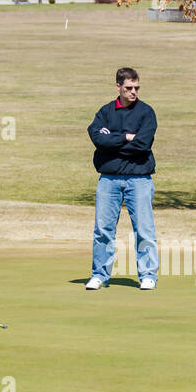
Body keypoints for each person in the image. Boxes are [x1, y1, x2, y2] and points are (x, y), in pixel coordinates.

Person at [86, 67, 159, 290]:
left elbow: (143, 144)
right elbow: (97, 138)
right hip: (109, 179)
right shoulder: (106, 112)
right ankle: (99, 275)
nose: (133, 92)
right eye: (129, 88)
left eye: (136, 88)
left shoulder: (146, 112)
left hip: (139, 179)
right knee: (103, 230)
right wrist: (127, 137)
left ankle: (148, 275)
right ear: (118, 86)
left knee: (144, 230)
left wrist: (114, 143)